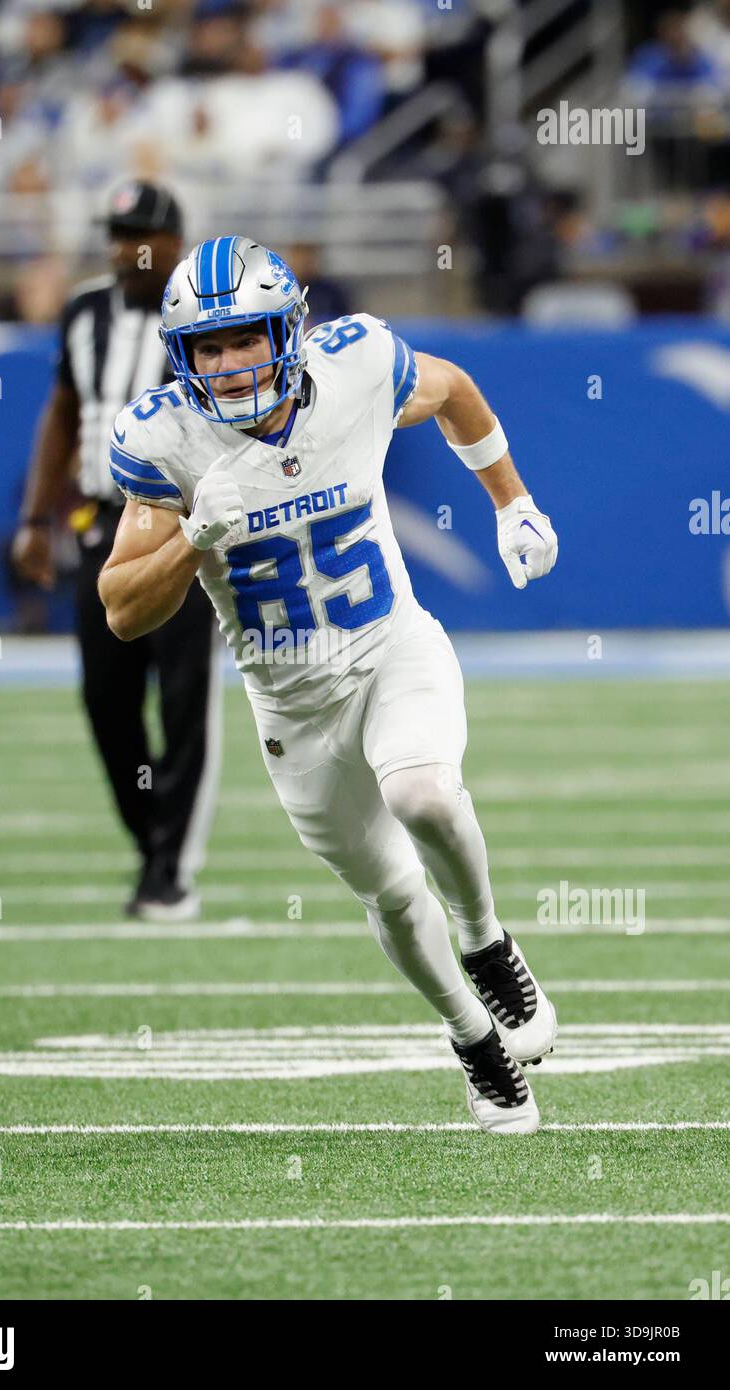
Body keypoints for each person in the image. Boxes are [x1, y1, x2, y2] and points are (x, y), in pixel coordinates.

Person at [98, 236, 559, 1132]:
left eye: (244, 339)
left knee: (422, 793)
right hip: (289, 701)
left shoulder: (354, 368)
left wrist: (512, 502)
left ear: (288, 330)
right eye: (207, 348)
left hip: (390, 646)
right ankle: (471, 1039)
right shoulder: (164, 439)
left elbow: (454, 388)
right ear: (181, 356)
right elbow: (121, 609)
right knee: (386, 890)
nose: (228, 366)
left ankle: (485, 940)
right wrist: (194, 537)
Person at [12, 183, 220, 921]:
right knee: (106, 699)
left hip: (185, 528)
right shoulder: (84, 310)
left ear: (175, 241)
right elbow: (63, 412)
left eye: (140, 234)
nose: (123, 249)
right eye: (115, 233)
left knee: (186, 696)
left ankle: (171, 870)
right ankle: (149, 843)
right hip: (100, 522)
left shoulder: (206, 314)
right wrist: (38, 517)